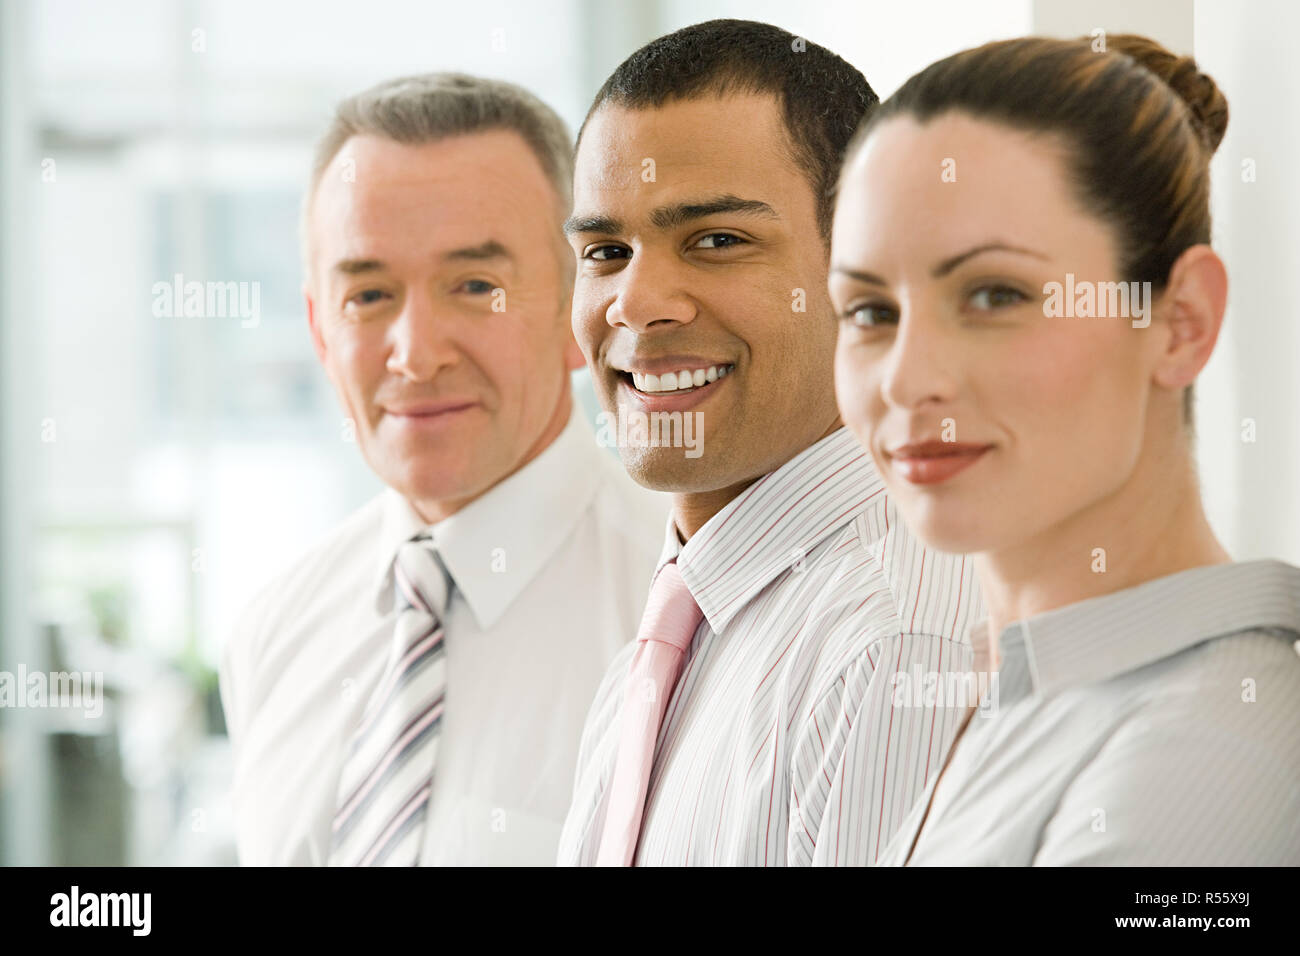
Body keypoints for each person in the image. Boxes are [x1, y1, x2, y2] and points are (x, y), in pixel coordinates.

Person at [830, 33, 1300, 865]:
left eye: (993, 294)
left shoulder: (1202, 757)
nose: (906, 380)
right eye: (870, 311)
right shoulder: (1031, 695)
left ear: (1181, 322)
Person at [557, 19, 981, 866]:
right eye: (607, 250)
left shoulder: (895, 649)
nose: (636, 303)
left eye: (716, 240)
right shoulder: (679, 634)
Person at [219, 73, 667, 866]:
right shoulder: (273, 632)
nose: (417, 354)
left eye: (474, 286)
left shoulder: (677, 615)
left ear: (578, 308)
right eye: (369, 294)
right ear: (320, 332)